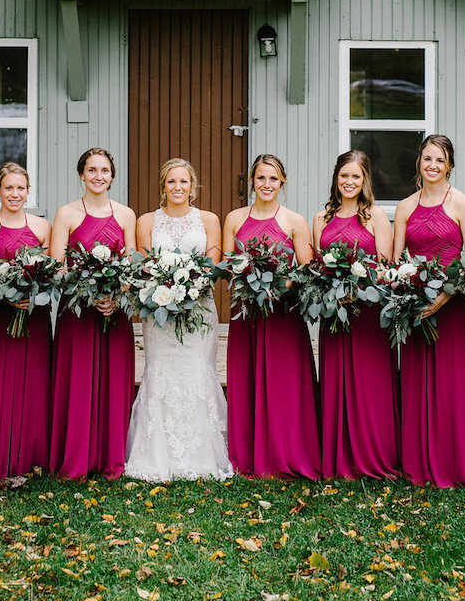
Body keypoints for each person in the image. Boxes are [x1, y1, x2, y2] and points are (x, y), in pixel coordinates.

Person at [124, 158, 232, 481]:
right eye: (171, 182)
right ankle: (157, 455)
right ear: (162, 186)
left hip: (198, 308)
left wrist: (190, 286)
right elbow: (143, 264)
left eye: (183, 182)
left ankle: (202, 455)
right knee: (161, 372)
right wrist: (165, 286)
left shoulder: (209, 219)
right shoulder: (145, 221)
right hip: (159, 312)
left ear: (193, 186)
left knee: (198, 369)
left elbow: (215, 259)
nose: (177, 188)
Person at [223, 154, 319, 478]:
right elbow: (228, 265)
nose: (266, 184)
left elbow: (306, 268)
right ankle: (248, 454)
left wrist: (282, 283)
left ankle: (285, 452)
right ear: (252, 181)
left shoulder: (295, 220)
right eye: (261, 178)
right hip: (247, 313)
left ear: (282, 183)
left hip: (282, 314)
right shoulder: (235, 218)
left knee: (284, 384)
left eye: (273, 179)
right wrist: (247, 279)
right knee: (247, 379)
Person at [393, 134, 465, 487]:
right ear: (419, 162)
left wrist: (444, 296)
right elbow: (396, 259)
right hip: (417, 307)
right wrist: (408, 288)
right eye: (427, 159)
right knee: (417, 383)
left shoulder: (463, 204)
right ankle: (417, 461)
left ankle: (455, 463)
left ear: (450, 166)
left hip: (452, 307)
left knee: (452, 385)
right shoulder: (405, 206)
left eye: (440, 160)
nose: (432, 166)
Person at [49, 148, 137, 479]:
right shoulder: (67, 213)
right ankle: (76, 459)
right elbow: (57, 266)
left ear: (112, 176)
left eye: (104, 170)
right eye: (91, 170)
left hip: (115, 312)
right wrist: (85, 286)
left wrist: (117, 296)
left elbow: (131, 265)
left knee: (114, 383)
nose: (98, 176)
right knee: (78, 381)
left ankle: (110, 458)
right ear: (81, 175)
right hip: (78, 312)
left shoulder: (126, 214)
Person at [312, 150, 399, 479]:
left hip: (368, 313)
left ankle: (373, 454)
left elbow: (386, 266)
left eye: (356, 177)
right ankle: (338, 456)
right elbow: (318, 264)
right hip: (334, 313)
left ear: (365, 181)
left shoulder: (375, 216)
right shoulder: (321, 218)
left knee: (370, 382)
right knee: (336, 378)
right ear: (336, 177)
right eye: (344, 176)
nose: (349, 182)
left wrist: (360, 286)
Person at [0, 162, 52, 485]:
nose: (15, 194)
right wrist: (3, 297)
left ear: (28, 191)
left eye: (20, 188)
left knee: (33, 385)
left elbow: (51, 272)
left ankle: (33, 457)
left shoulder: (43, 227)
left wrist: (33, 294)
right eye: (8, 188)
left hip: (34, 319)